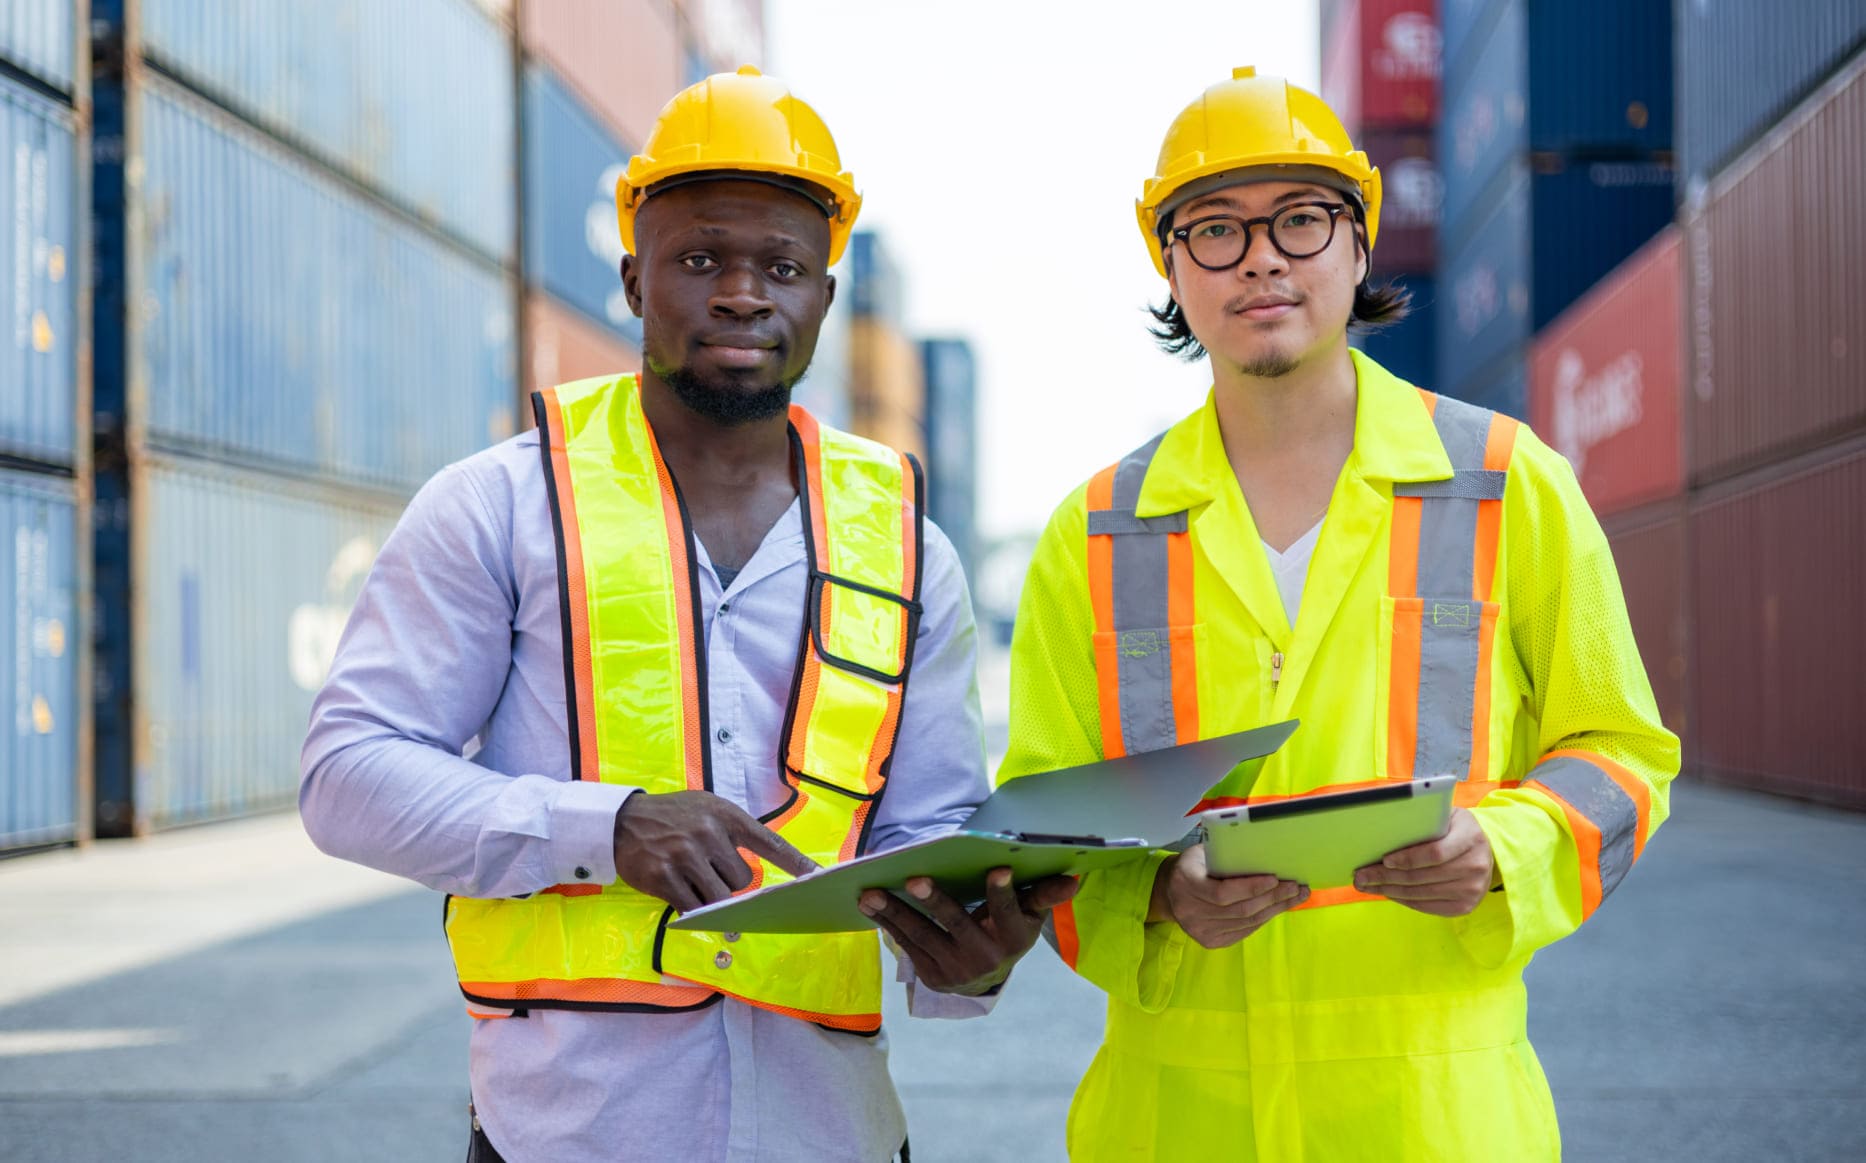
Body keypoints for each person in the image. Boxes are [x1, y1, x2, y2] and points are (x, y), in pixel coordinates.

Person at [302, 66, 1069, 1163]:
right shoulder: (501, 506)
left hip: (833, 1132)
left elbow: (922, 835)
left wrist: (973, 951)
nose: (744, 294)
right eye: (702, 259)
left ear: (825, 299)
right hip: (566, 1134)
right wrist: (605, 825)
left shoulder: (908, 548)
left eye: (783, 267)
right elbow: (345, 776)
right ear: (633, 278)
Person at [997, 67, 1679, 1160]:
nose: (1261, 257)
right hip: (1174, 1124)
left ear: (1359, 247)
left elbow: (1624, 751)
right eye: (1215, 228)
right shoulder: (1097, 531)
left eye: (1300, 219)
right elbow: (1041, 828)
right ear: (1170, 265)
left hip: (1435, 1117)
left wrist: (1503, 847)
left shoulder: (1507, 482)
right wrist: (1159, 894)